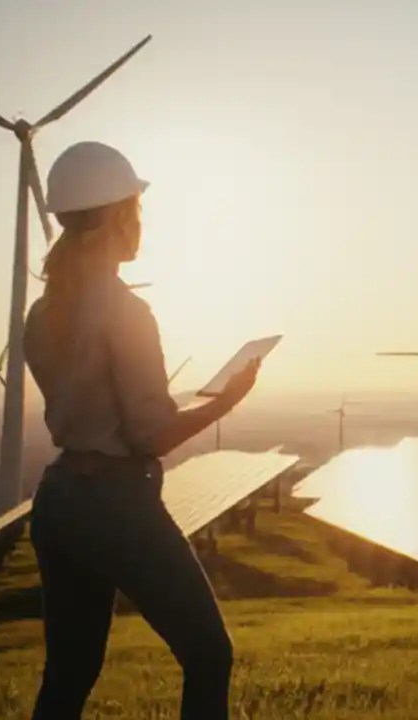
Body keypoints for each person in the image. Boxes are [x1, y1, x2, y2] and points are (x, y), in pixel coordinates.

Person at [24, 141, 257, 720]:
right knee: (209, 654)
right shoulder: (126, 311)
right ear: (115, 216)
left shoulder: (41, 312)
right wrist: (224, 401)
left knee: (69, 676)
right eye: (137, 209)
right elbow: (149, 434)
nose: (141, 224)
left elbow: (99, 408)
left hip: (57, 502)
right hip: (115, 505)